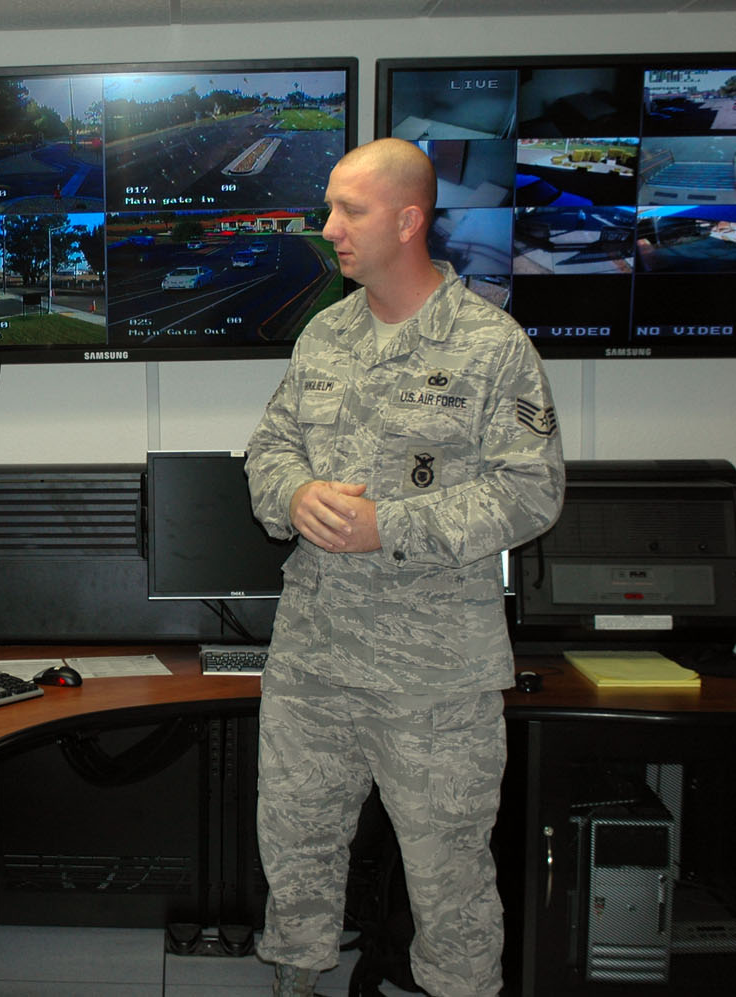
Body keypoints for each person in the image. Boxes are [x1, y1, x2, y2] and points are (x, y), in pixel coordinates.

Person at [244, 138, 565, 997]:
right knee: (298, 859)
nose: (329, 228)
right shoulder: (325, 336)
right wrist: (296, 492)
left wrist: (393, 526)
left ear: (408, 218)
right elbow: (267, 450)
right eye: (329, 209)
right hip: (315, 657)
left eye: (347, 209)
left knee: (449, 883)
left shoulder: (491, 345)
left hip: (437, 676)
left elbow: (531, 492)